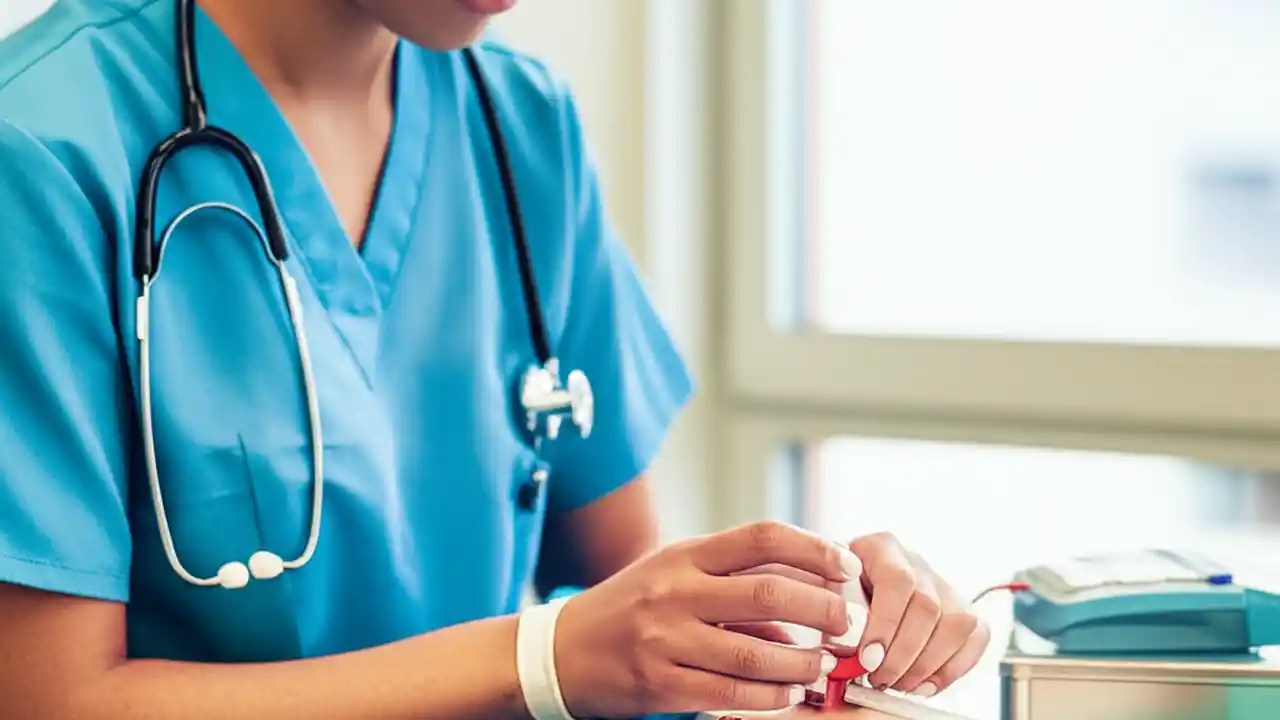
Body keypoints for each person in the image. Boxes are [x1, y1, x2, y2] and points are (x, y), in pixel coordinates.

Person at [0, 1, 990, 717]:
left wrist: (803, 623)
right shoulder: (42, 147)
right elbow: (50, 699)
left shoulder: (521, 124)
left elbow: (631, 598)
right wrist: (541, 658)